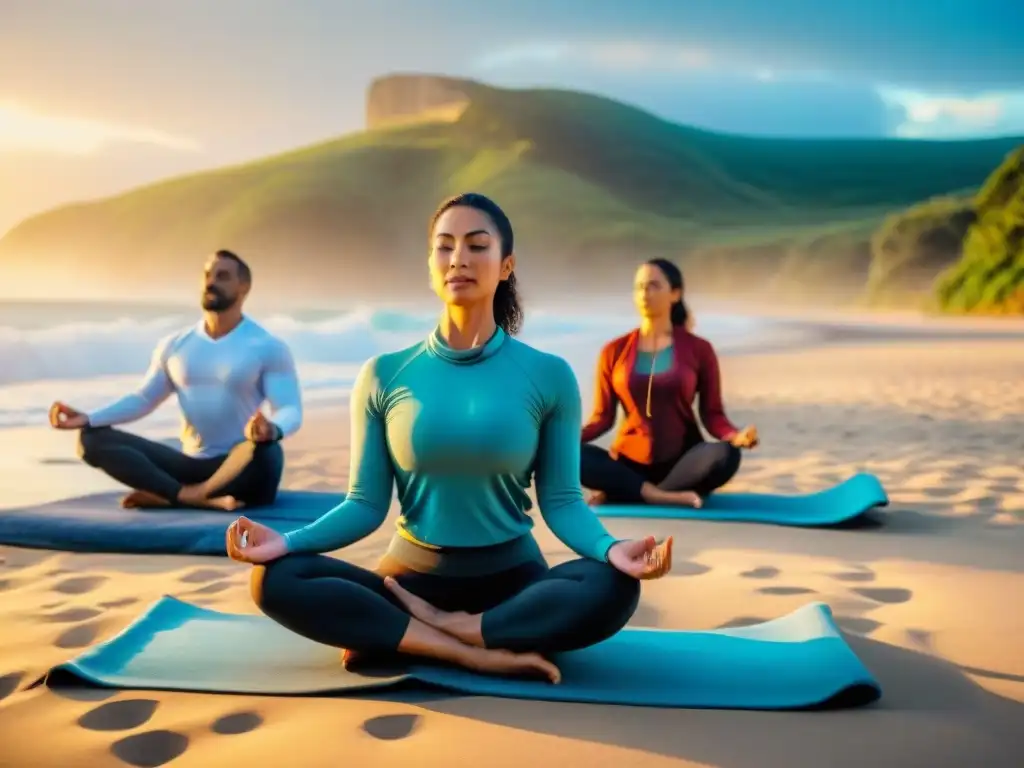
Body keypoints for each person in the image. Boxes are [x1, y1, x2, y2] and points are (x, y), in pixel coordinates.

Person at [225, 193, 672, 683]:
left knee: (615, 586)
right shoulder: (384, 374)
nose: (459, 257)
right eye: (445, 247)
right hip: (408, 581)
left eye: (477, 246)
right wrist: (286, 541)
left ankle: (438, 631)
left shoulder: (548, 375)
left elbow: (563, 501)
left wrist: (610, 549)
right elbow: (364, 504)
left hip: (513, 585)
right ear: (431, 265)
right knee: (275, 578)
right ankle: (469, 650)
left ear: (506, 266)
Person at [48, 250, 302, 511]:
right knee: (90, 439)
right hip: (188, 466)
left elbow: (289, 409)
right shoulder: (175, 345)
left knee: (267, 451)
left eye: (222, 276)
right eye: (207, 275)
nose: (210, 282)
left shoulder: (266, 345)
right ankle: (188, 496)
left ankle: (177, 494)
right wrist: (90, 418)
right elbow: (144, 399)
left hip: (239, 464)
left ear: (244, 286)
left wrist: (272, 429)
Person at [580, 259, 758, 508]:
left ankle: (633, 492)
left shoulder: (699, 349)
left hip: (683, 462)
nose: (644, 293)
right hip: (627, 463)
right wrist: (565, 436)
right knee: (567, 455)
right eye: (639, 286)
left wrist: (734, 435)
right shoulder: (613, 351)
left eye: (653, 285)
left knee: (726, 454)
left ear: (675, 294)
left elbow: (712, 414)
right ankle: (662, 496)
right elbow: (602, 417)